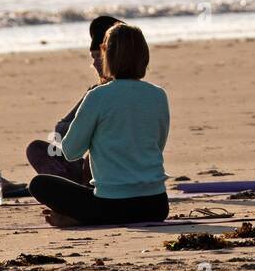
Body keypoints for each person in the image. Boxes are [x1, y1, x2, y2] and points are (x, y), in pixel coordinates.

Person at [31, 22, 170, 226]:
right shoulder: (158, 95)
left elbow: (71, 151)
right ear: (144, 57)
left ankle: (77, 218)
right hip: (156, 205)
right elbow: (158, 145)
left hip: (112, 205)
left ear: (107, 56)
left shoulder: (98, 96)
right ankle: (79, 216)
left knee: (39, 184)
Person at [25, 15, 121, 185]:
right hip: (83, 161)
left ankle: (81, 197)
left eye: (99, 58)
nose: (95, 64)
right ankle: (71, 191)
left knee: (95, 155)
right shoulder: (95, 91)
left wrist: (85, 130)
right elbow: (60, 129)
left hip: (113, 168)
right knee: (37, 149)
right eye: (93, 58)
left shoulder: (127, 92)